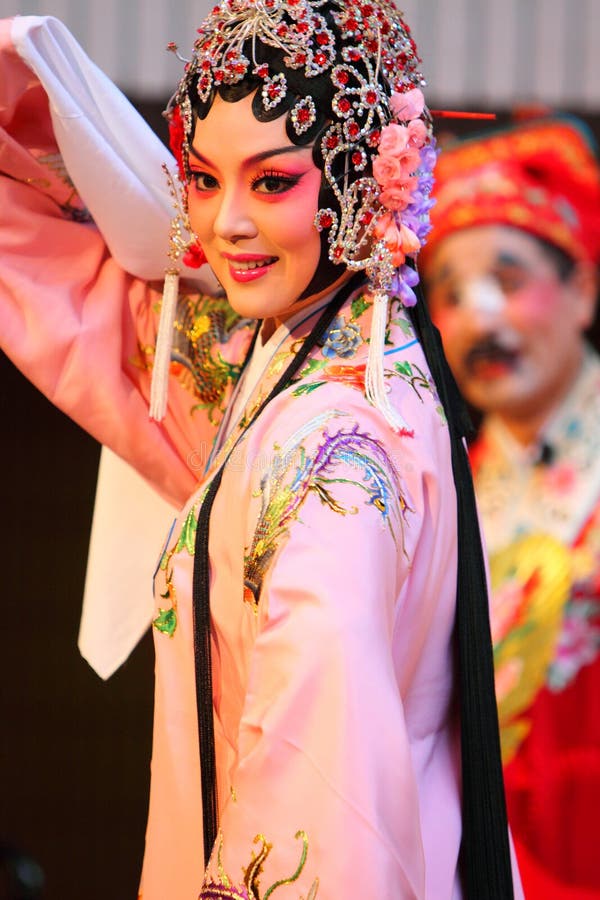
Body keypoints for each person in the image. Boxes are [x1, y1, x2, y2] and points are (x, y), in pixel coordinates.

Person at [0, 4, 521, 898]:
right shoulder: (315, 358)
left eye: (273, 182)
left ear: (362, 181)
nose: (226, 224)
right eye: (201, 179)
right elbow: (70, 283)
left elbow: (319, 789)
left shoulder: (332, 458)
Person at [421, 116, 600, 899]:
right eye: (452, 295)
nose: (482, 320)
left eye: (509, 278)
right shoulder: (436, 487)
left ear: (582, 286)